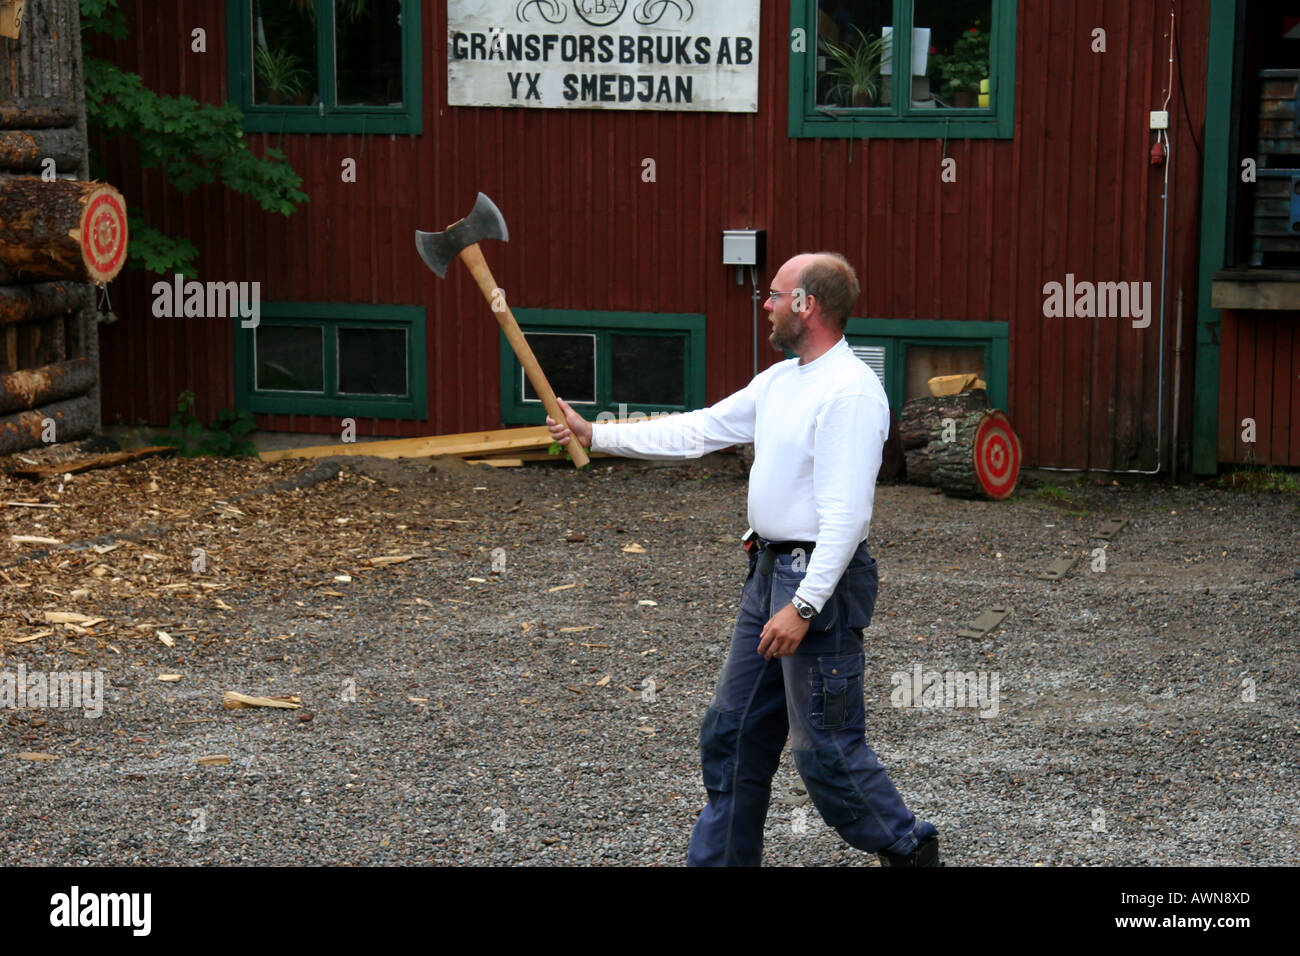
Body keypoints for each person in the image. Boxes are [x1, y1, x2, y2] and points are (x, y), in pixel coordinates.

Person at [546, 252, 940, 867]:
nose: (767, 304)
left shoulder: (851, 392)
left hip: (815, 585)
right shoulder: (780, 381)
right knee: (732, 735)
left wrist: (805, 604)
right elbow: (700, 430)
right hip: (765, 575)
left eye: (776, 294)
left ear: (807, 305)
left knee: (826, 752)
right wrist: (597, 434)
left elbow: (848, 518)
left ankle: (910, 850)